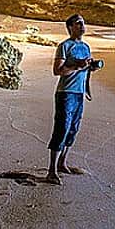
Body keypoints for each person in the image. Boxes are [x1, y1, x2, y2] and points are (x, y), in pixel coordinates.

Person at [46, 13, 95, 184]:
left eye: (83, 23)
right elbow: (58, 71)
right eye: (78, 23)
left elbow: (85, 71)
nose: (82, 26)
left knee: (74, 128)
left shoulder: (86, 47)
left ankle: (62, 163)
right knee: (62, 128)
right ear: (70, 28)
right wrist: (77, 65)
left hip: (79, 93)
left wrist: (88, 76)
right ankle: (51, 170)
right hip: (65, 92)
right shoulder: (64, 46)